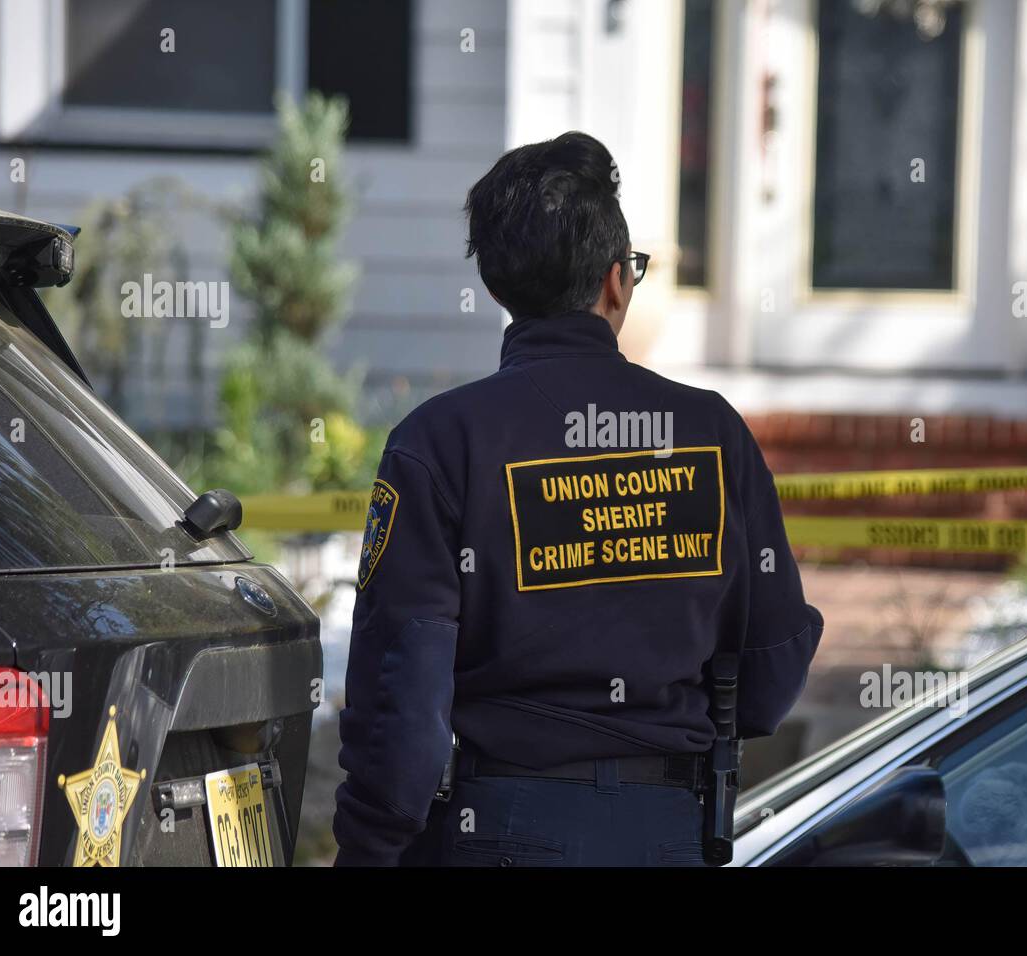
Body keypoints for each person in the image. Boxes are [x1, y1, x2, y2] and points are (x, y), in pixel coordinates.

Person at [333, 131, 823, 867]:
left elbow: (401, 699)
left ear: (498, 287)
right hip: (666, 833)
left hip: (497, 830)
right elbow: (769, 679)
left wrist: (368, 849)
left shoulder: (439, 442)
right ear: (616, 281)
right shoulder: (712, 434)